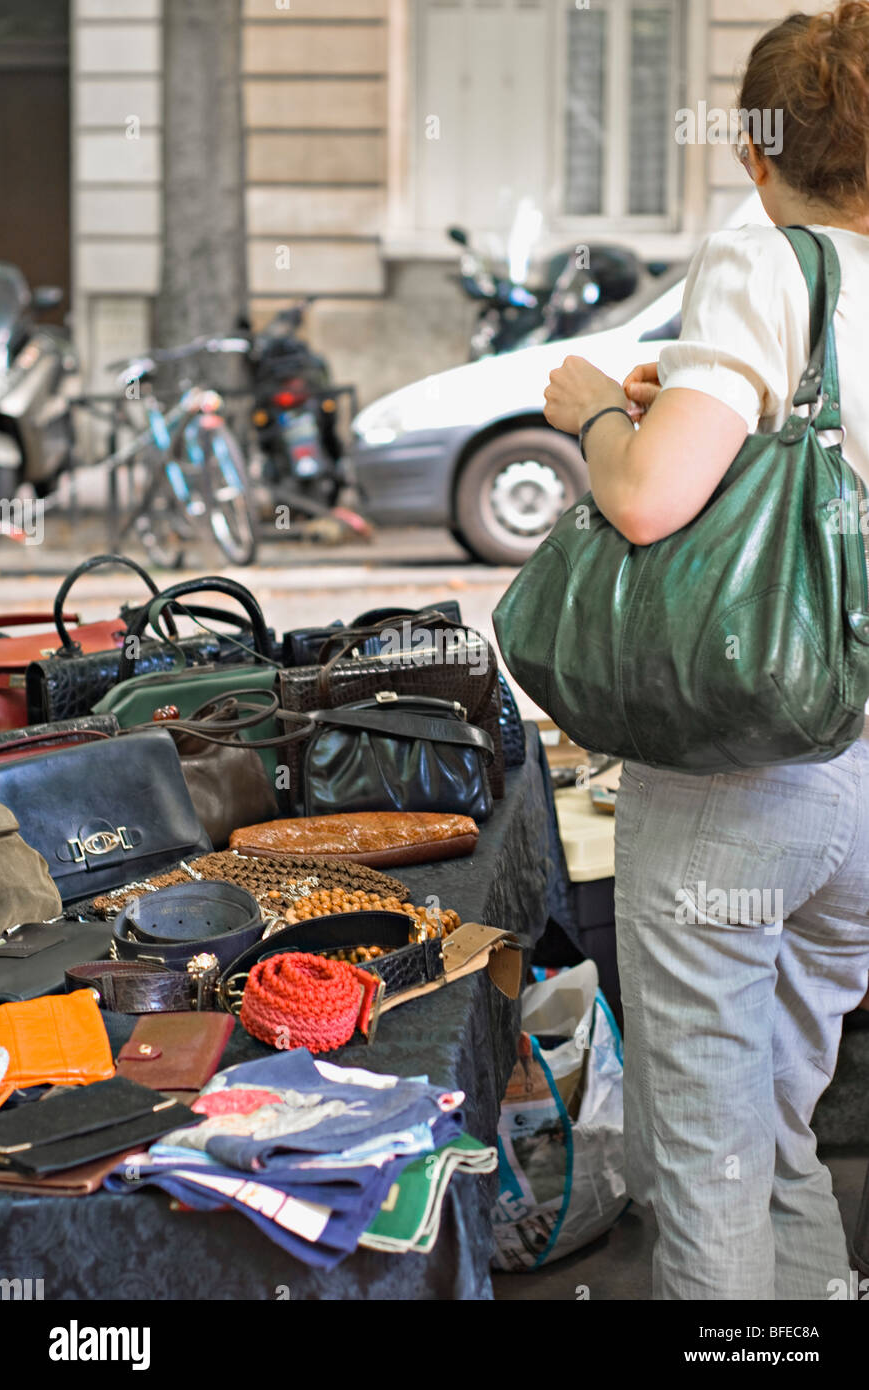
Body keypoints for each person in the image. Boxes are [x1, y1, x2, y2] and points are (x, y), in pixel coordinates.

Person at [542, 1, 869, 1300]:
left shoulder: (768, 259)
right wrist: (673, 405)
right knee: (776, 1129)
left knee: (708, 1165)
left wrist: (584, 416)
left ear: (754, 147)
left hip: (751, 776)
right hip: (858, 799)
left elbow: (646, 501)